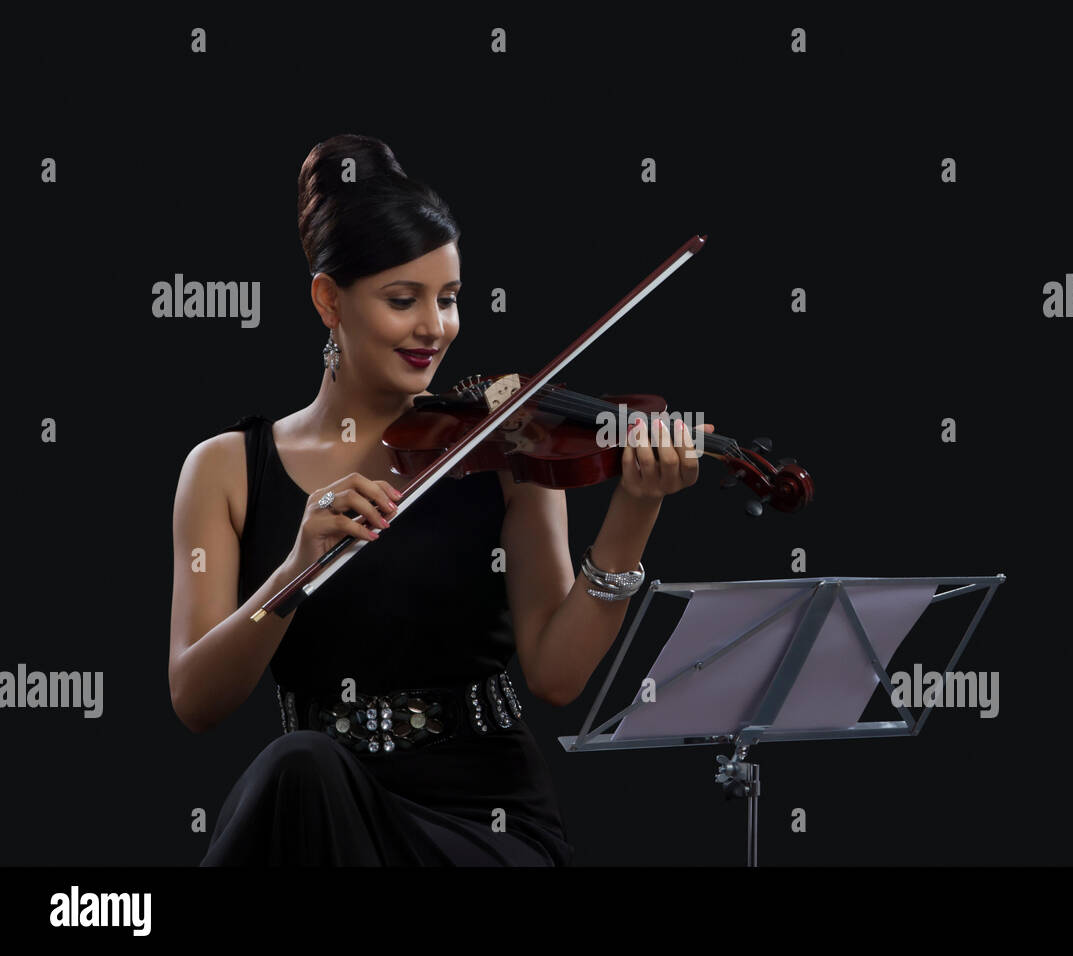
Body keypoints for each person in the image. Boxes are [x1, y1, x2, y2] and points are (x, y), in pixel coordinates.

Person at [168, 133, 712, 865]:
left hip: (482, 818)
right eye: (403, 300)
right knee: (301, 765)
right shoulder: (225, 469)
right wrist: (296, 568)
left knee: (302, 777)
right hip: (326, 811)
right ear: (329, 299)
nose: (435, 328)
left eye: (449, 299)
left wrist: (635, 512)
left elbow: (556, 676)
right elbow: (197, 701)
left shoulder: (504, 450)